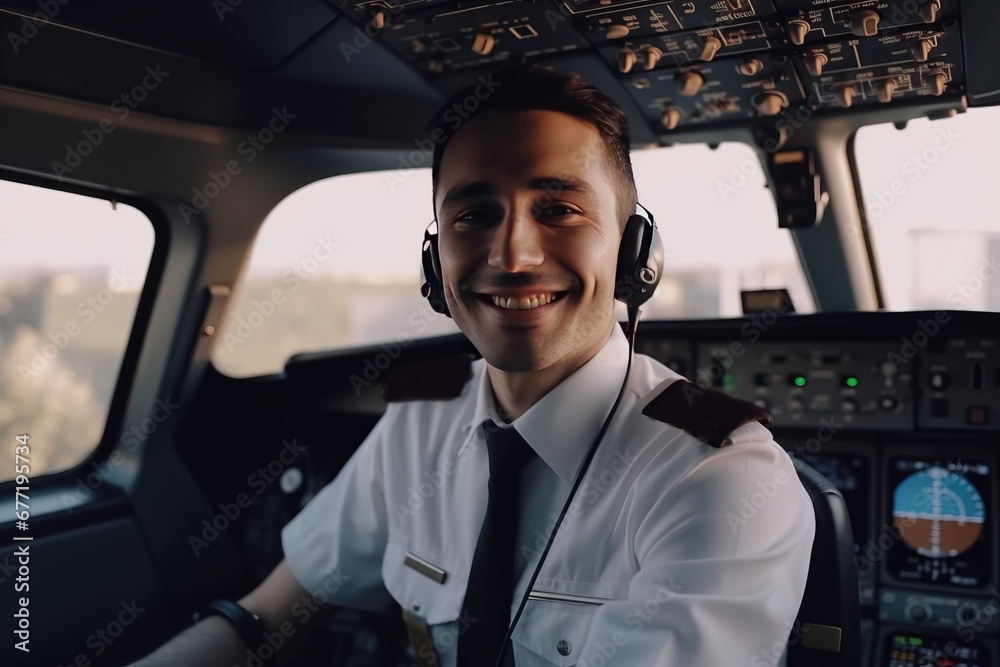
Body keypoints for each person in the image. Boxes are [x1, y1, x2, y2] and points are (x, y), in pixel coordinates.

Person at [131, 65, 815, 667]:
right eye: (474, 214)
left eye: (559, 209)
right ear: (436, 264)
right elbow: (269, 616)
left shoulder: (717, 477)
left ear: (633, 251)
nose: (513, 255)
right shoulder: (418, 426)